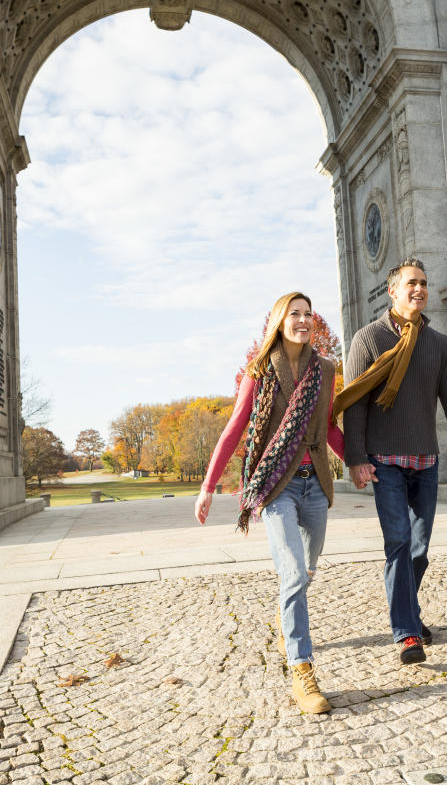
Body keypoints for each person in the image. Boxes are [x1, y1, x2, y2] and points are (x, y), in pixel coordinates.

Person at [194, 291, 344, 714]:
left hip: (315, 482)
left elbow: (329, 429)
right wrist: (207, 486)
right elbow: (234, 429)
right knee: (294, 573)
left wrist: (362, 463)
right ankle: (302, 670)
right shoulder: (258, 371)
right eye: (294, 314)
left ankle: (285, 614)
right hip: (275, 484)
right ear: (279, 321)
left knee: (307, 568)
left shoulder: (326, 369)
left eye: (308, 314)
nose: (302, 320)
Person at [334, 257, 447, 666]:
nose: (419, 289)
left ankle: (408, 613)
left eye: (424, 283)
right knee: (398, 544)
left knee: (419, 549)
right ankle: (407, 633)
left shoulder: (438, 344)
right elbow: (356, 404)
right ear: (393, 291)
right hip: (384, 463)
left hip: (426, 461)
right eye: (411, 283)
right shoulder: (368, 339)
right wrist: (356, 457)